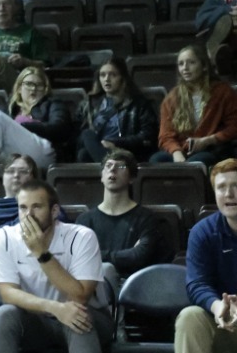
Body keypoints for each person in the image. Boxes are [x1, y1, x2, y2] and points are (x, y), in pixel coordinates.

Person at [0, 179, 108, 353]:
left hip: (90, 319)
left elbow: (80, 296)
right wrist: (54, 307)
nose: (28, 214)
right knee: (5, 313)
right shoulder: (5, 237)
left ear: (54, 211)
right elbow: (7, 293)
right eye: (23, 207)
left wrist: (41, 253)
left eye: (37, 207)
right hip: (38, 320)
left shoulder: (81, 237)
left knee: (78, 314)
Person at [73, 149, 174, 284]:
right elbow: (78, 258)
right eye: (108, 166)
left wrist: (97, 254)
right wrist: (128, 254)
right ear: (101, 176)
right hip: (95, 288)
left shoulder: (148, 219)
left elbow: (138, 257)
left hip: (135, 288)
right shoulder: (84, 220)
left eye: (120, 166)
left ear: (132, 178)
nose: (113, 170)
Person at [180, 159, 237, 353]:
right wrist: (218, 306)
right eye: (222, 187)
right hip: (226, 324)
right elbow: (197, 283)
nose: (229, 194)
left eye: (236, 186)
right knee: (190, 317)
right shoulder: (203, 232)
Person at [161, 42, 237, 164]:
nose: (185, 67)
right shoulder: (172, 97)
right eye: (181, 64)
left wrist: (208, 140)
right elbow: (166, 136)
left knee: (198, 161)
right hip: (182, 150)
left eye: (191, 62)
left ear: (204, 66)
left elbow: (234, 126)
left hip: (212, 148)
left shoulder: (223, 92)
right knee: (157, 159)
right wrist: (176, 153)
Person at [77, 55, 159, 161]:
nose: (106, 79)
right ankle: (108, 163)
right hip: (99, 150)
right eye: (102, 75)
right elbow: (79, 138)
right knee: (85, 141)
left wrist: (115, 142)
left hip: (127, 152)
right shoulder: (89, 104)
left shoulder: (139, 104)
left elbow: (147, 136)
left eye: (112, 75)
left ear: (122, 77)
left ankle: (108, 165)